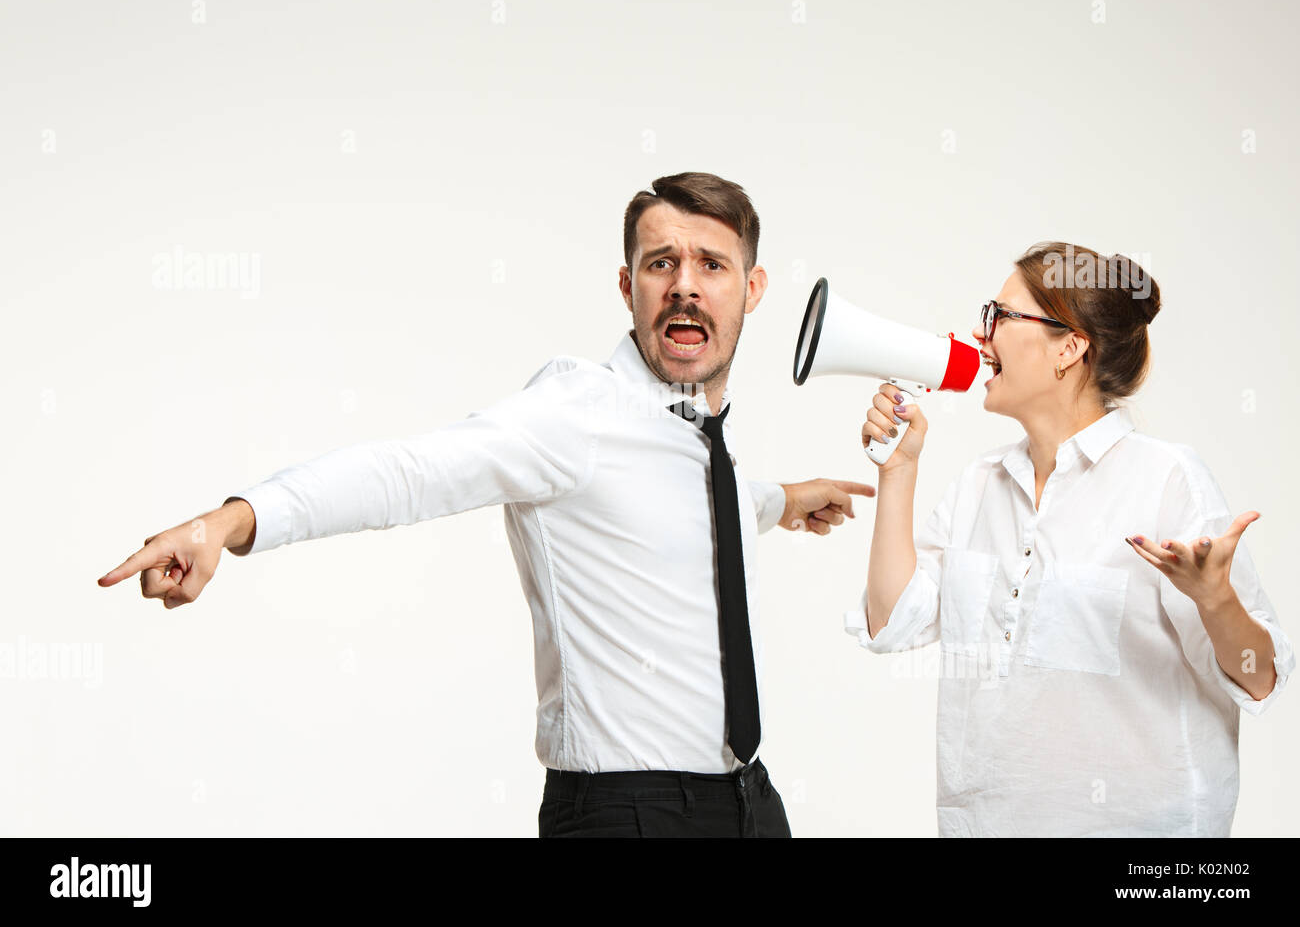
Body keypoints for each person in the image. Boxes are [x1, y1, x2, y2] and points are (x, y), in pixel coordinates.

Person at [99, 171, 876, 838]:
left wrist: (776, 502)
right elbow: (409, 472)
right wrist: (233, 521)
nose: (684, 283)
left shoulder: (704, 436)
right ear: (626, 284)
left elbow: (686, 507)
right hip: (628, 812)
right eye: (660, 262)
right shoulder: (576, 413)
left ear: (753, 288)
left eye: (712, 264)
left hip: (751, 802)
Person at [847, 241, 1293, 836]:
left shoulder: (1166, 479)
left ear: (1070, 346)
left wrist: (1217, 601)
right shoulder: (978, 486)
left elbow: (1258, 676)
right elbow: (891, 622)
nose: (982, 338)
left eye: (1000, 317)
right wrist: (898, 471)